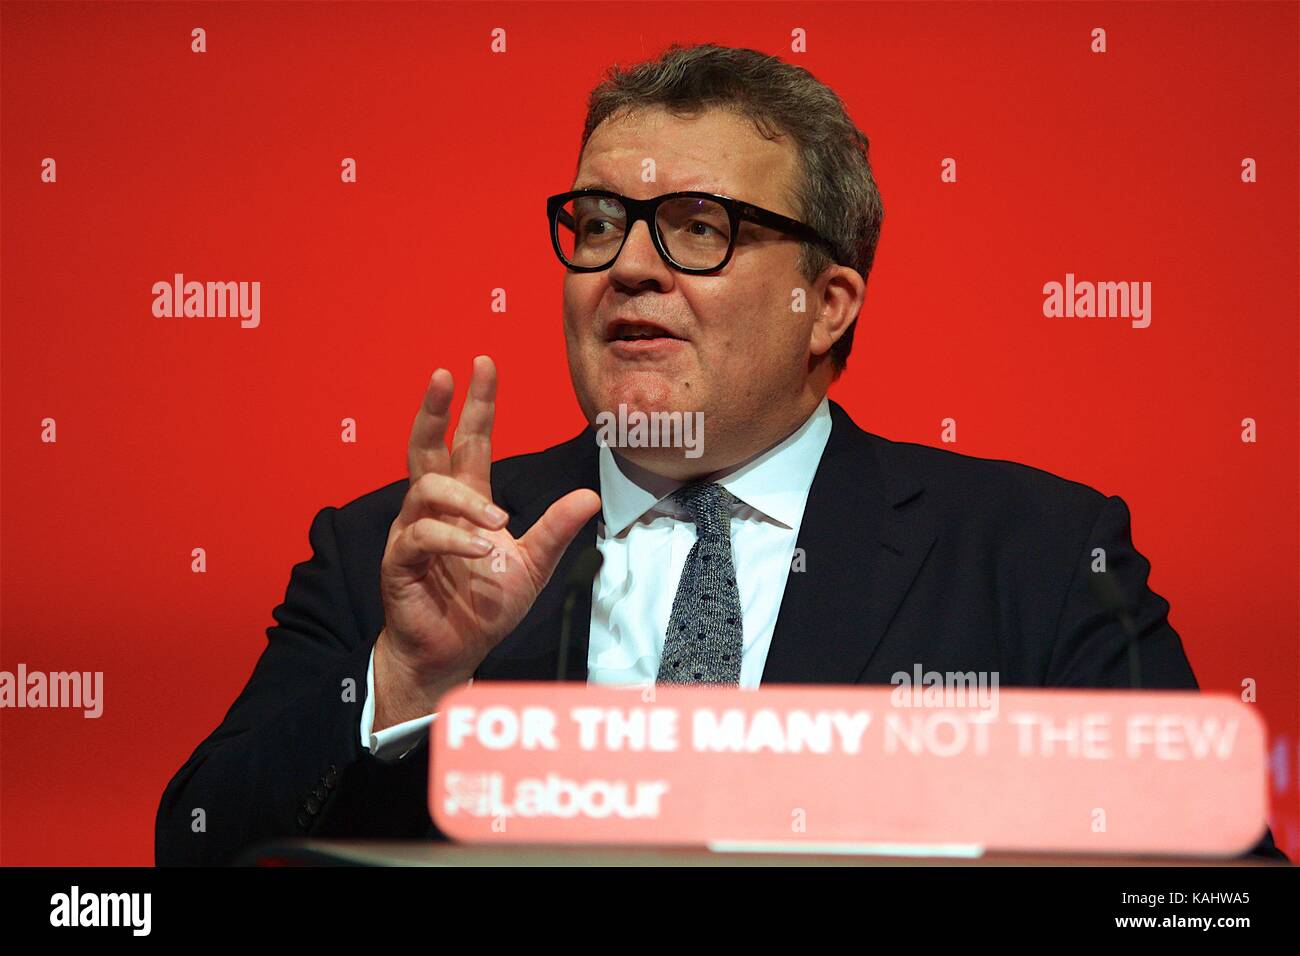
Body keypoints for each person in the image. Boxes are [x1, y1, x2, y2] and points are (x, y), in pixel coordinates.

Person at [156, 43, 1286, 865]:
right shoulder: (397, 553)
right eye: (598, 223)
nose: (628, 268)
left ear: (828, 299)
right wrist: (404, 679)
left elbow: (1213, 888)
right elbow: (191, 850)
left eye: (698, 226)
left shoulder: (1034, 557)